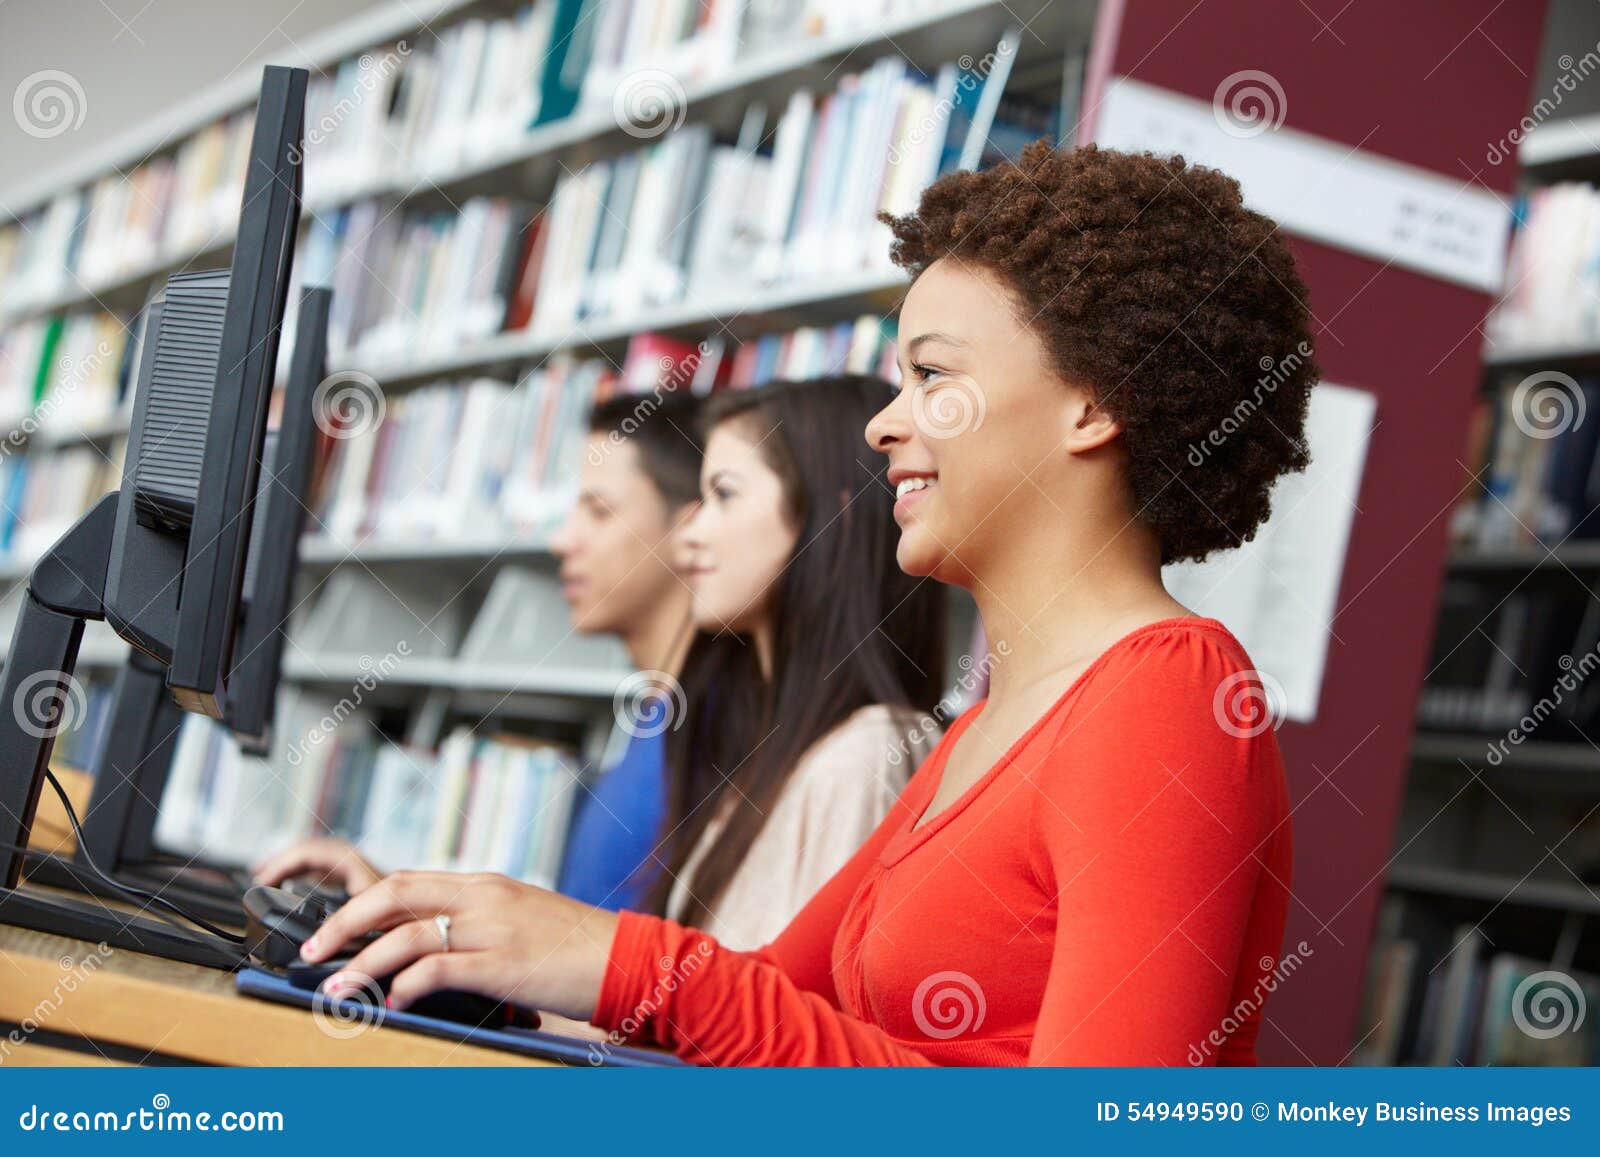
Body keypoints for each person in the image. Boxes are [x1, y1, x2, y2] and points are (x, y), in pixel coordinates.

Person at [301, 142, 1310, 1066]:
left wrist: (622, 958)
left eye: (929, 376)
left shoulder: (1169, 692)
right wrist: (462, 945)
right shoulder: (983, 729)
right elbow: (776, 992)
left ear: (1092, 401)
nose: (882, 424)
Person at [253, 390, 705, 911]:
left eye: (599, 512)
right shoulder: (654, 722)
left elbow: (604, 972)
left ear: (688, 530)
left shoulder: (704, 739)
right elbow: (571, 956)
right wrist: (399, 901)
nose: (562, 541)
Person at [651, 378, 947, 947]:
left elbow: (799, 1022)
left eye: (725, 495)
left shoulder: (867, 756)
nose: (690, 534)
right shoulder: (764, 758)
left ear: (830, 516)